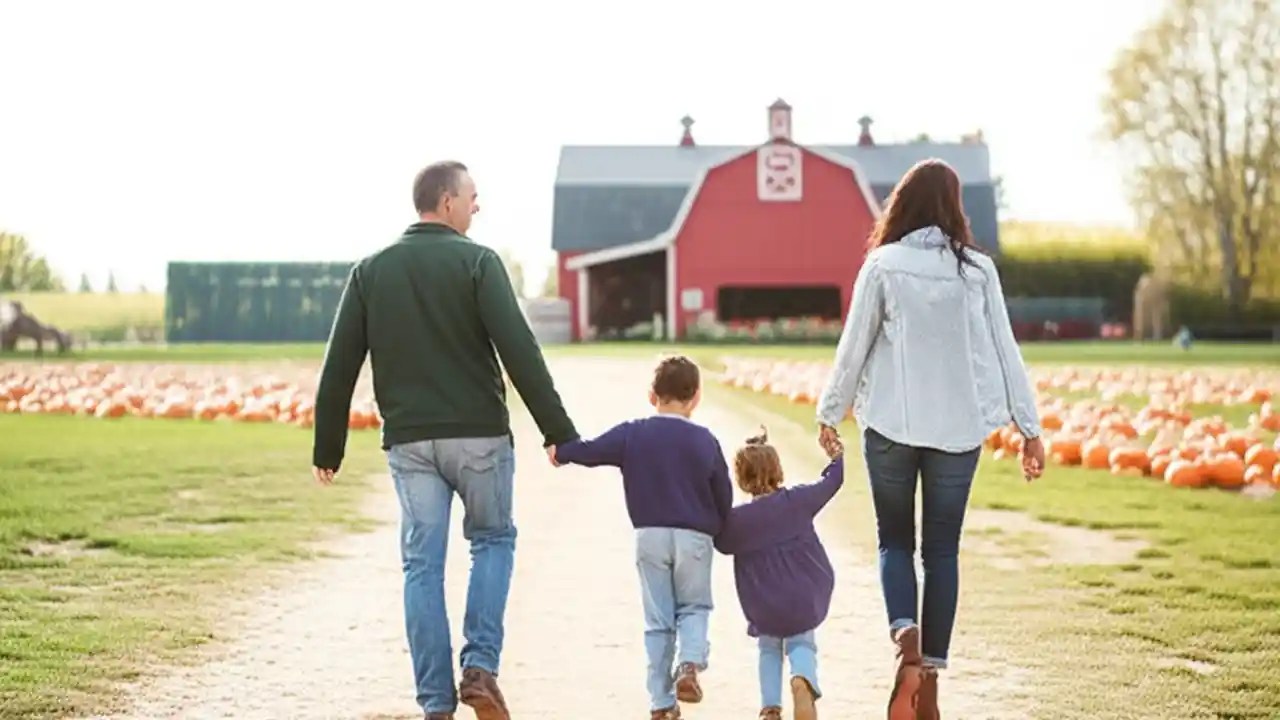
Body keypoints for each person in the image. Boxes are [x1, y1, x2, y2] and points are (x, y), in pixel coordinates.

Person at [311, 160, 579, 720]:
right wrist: (557, 429)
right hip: (480, 436)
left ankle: (436, 704)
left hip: (410, 444)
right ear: (447, 202)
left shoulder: (370, 271)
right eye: (473, 196)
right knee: (493, 541)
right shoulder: (478, 263)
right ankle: (479, 668)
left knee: (421, 567)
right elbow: (518, 349)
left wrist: (328, 446)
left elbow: (339, 366)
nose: (478, 206)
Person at [814, 159, 1045, 720]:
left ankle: (906, 641)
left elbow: (854, 345)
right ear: (954, 209)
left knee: (894, 541)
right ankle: (932, 679)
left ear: (902, 204)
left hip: (891, 426)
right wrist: (1030, 429)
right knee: (942, 552)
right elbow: (1006, 350)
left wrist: (829, 410)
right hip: (958, 432)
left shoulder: (882, 265)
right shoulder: (978, 273)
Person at [550, 355, 734, 720]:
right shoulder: (705, 441)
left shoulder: (633, 432)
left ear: (652, 395)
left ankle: (661, 702)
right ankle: (690, 665)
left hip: (649, 536)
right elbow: (723, 494)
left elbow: (589, 450)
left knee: (658, 621)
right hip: (694, 538)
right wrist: (722, 530)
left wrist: (562, 450)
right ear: (696, 396)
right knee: (694, 607)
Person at [714, 427, 845, 720]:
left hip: (765, 606)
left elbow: (720, 542)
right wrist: (836, 457)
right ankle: (802, 680)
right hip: (803, 597)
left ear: (741, 479)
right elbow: (832, 482)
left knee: (769, 649)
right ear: (777, 470)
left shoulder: (737, 523)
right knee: (802, 643)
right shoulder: (798, 501)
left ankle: (770, 708)